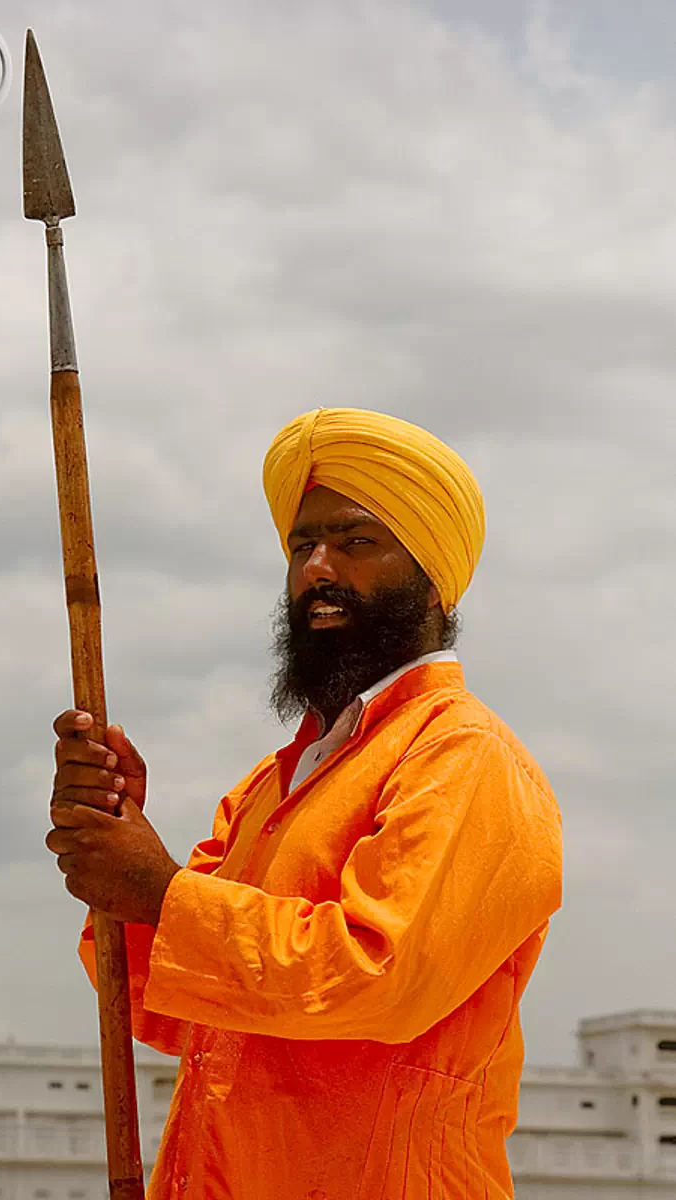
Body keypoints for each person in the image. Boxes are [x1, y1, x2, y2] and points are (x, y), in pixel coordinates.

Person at [46, 407, 562, 1199]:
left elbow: (373, 975)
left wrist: (158, 889)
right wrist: (117, 847)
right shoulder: (271, 786)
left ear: (432, 576)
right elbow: (173, 1012)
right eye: (301, 545)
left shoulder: (465, 759)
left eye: (356, 542)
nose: (318, 568)